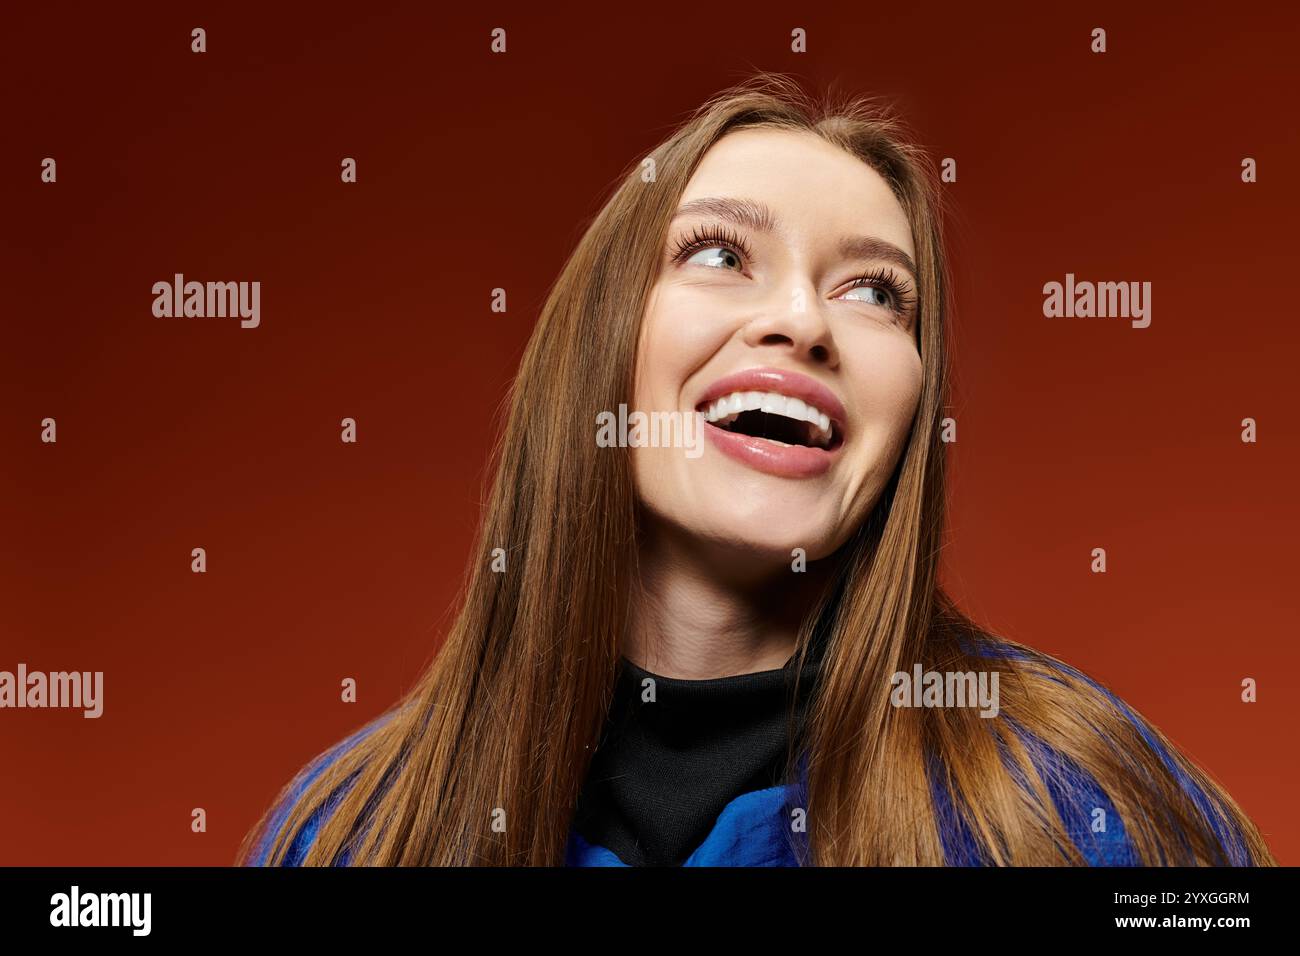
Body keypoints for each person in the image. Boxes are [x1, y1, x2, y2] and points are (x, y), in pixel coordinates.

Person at [240, 72, 1275, 867]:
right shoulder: (355, 828)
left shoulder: (1071, 796)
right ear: (598, 344)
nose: (801, 320)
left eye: (876, 291)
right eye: (720, 254)